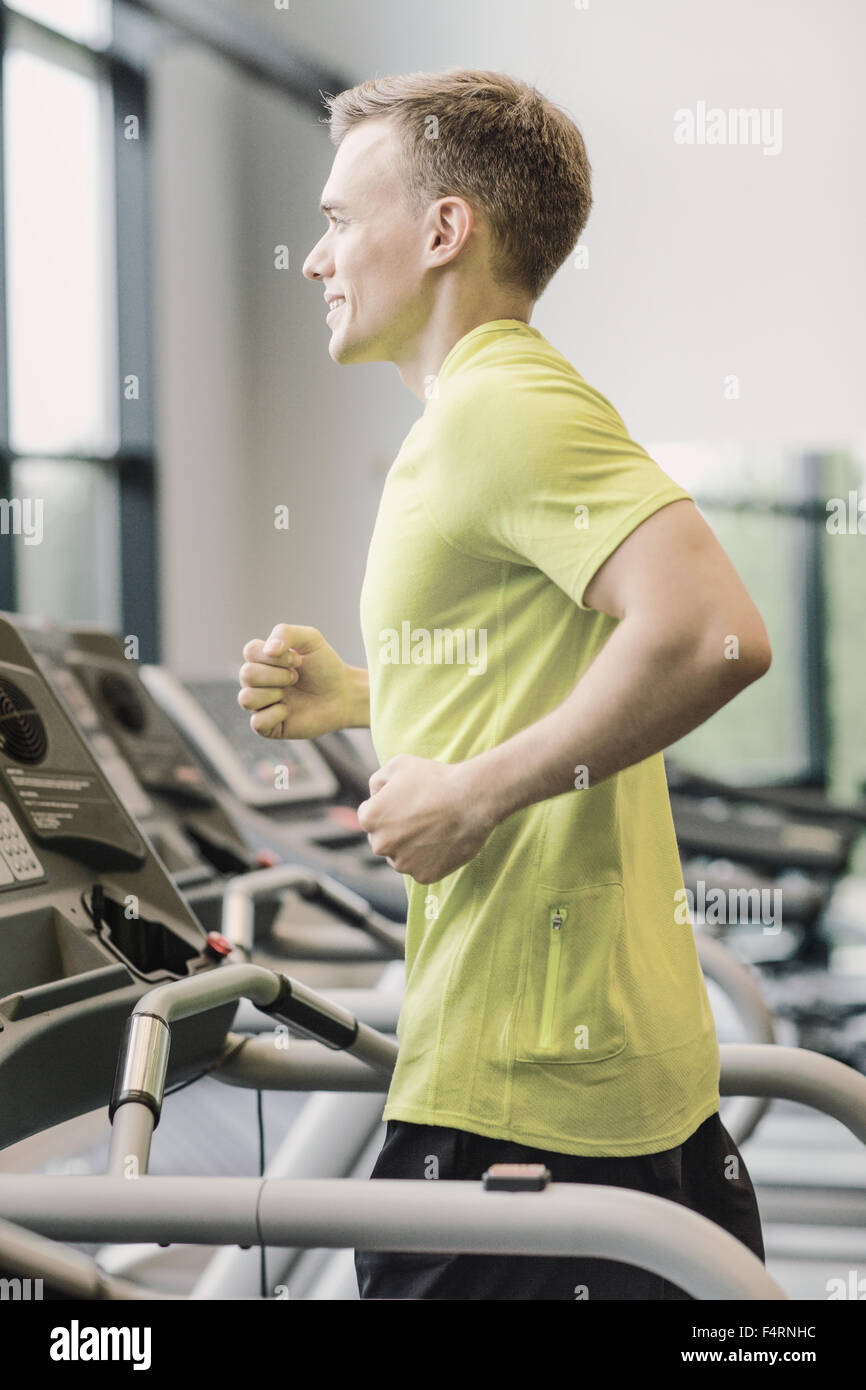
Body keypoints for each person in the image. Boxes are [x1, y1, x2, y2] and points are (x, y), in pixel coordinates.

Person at [238, 69, 771, 1300]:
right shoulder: (486, 411)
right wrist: (369, 695)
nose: (314, 260)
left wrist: (471, 791)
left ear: (440, 231)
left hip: (528, 1099)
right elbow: (569, 657)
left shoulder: (498, 405)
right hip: (588, 1079)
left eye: (334, 221)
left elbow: (713, 635)